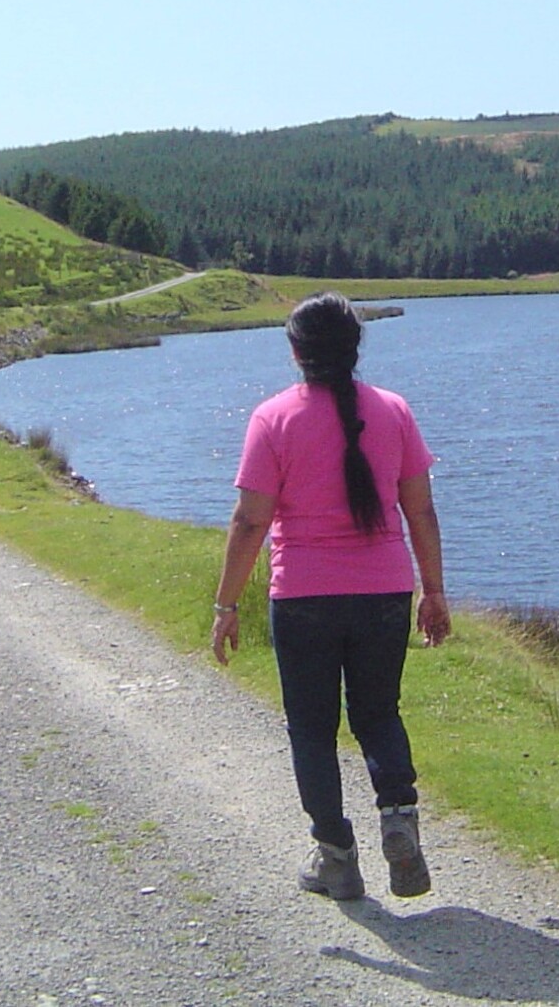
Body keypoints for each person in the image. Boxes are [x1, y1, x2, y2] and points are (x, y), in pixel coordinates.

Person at [211, 291, 451, 902]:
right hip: (384, 591)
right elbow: (419, 511)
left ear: (295, 353)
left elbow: (248, 522)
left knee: (313, 730)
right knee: (378, 712)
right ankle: (398, 817)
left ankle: (337, 858)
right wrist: (434, 590)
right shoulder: (394, 411)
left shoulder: (273, 418)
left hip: (303, 597)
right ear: (354, 346)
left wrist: (226, 605)